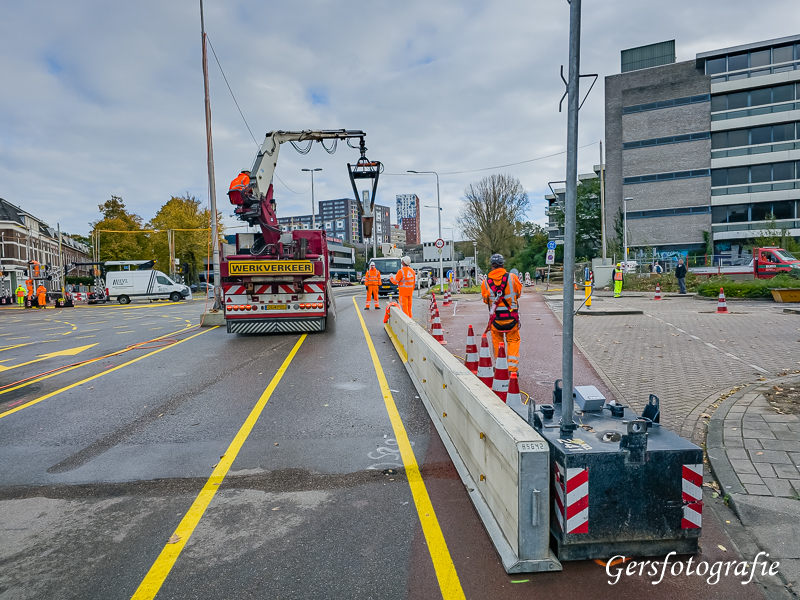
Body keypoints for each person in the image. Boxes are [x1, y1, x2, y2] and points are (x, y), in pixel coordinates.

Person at [481, 253, 522, 373]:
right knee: (513, 341)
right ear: (503, 264)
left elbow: (485, 300)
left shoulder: (486, 282)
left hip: (496, 320)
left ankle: (500, 367)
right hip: (512, 319)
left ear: (491, 266)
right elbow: (518, 293)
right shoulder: (513, 278)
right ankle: (512, 369)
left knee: (497, 342)